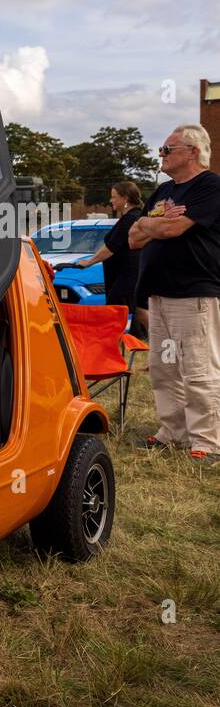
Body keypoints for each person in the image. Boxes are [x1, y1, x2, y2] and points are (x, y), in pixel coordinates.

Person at [128, 123, 220, 465]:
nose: (161, 155)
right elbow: (133, 238)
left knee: (198, 369)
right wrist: (158, 223)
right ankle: (173, 433)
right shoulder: (163, 191)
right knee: (164, 368)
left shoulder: (210, 186)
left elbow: (173, 227)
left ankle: (207, 443)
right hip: (159, 297)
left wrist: (158, 224)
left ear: (192, 152)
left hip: (192, 295)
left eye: (167, 149)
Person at [61, 181, 146, 335]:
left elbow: (111, 247)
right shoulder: (131, 217)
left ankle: (115, 338)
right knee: (134, 307)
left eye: (114, 197)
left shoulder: (130, 219)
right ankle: (140, 336)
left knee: (117, 305)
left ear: (125, 198)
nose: (111, 200)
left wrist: (89, 262)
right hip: (125, 272)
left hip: (127, 273)